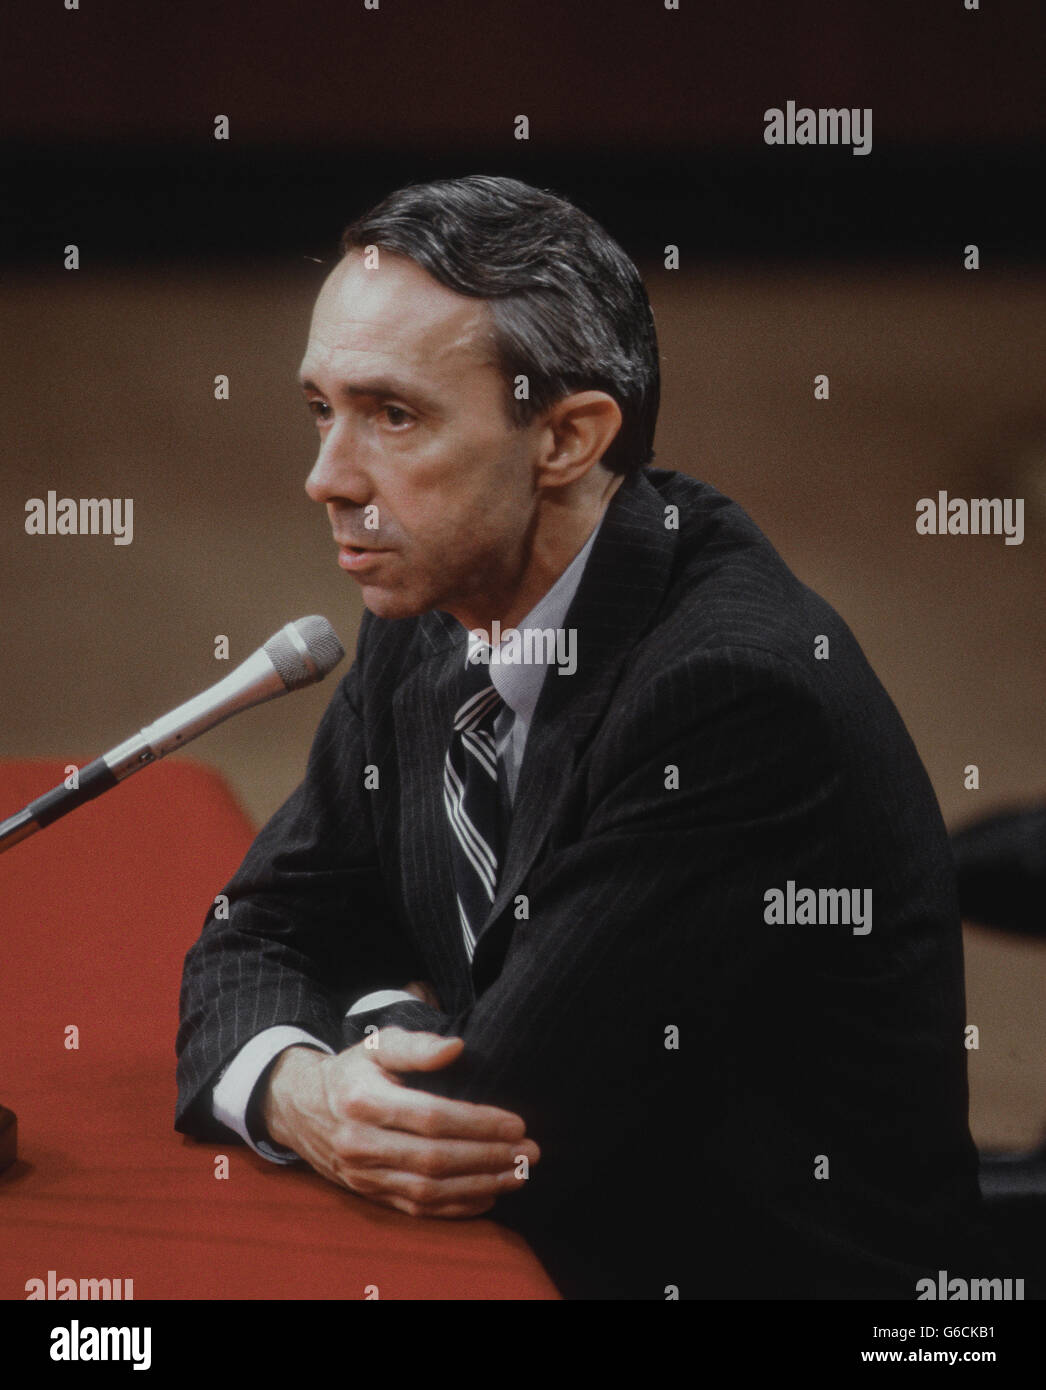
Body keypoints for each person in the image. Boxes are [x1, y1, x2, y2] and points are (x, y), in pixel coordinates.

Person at [175, 174, 986, 1299]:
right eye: (322, 409)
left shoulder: (729, 695)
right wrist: (297, 1084)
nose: (328, 479)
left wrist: (359, 1020)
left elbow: (487, 1128)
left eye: (392, 415)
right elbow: (255, 930)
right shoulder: (432, 608)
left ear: (565, 436)